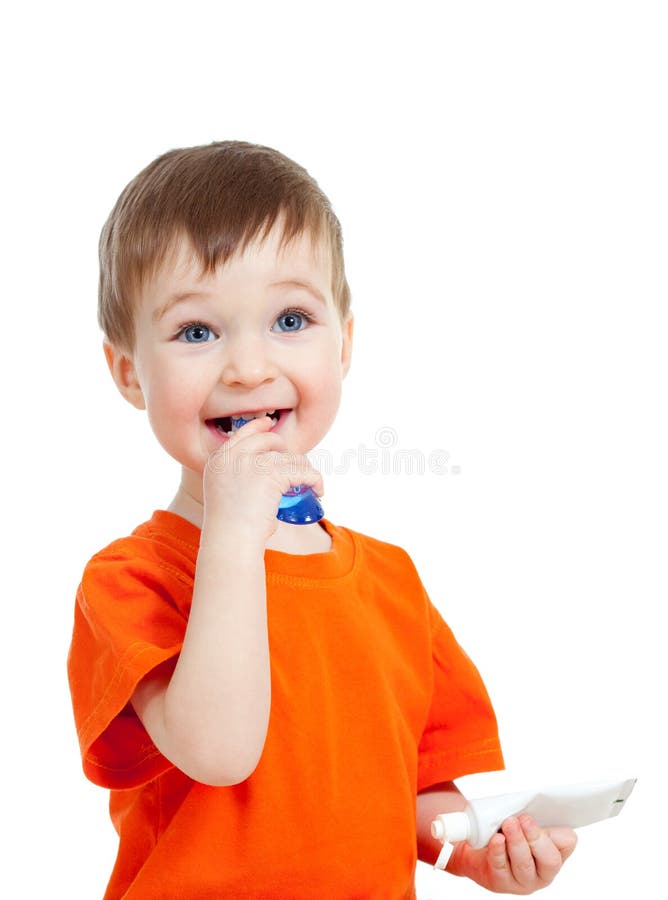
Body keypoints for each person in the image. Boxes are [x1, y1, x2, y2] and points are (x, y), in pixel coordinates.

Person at [67, 141, 577, 899]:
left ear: (343, 343)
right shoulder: (130, 583)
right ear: (129, 372)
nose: (247, 366)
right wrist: (237, 533)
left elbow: (412, 791)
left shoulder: (393, 583)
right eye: (197, 332)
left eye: (290, 319)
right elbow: (220, 751)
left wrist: (475, 851)